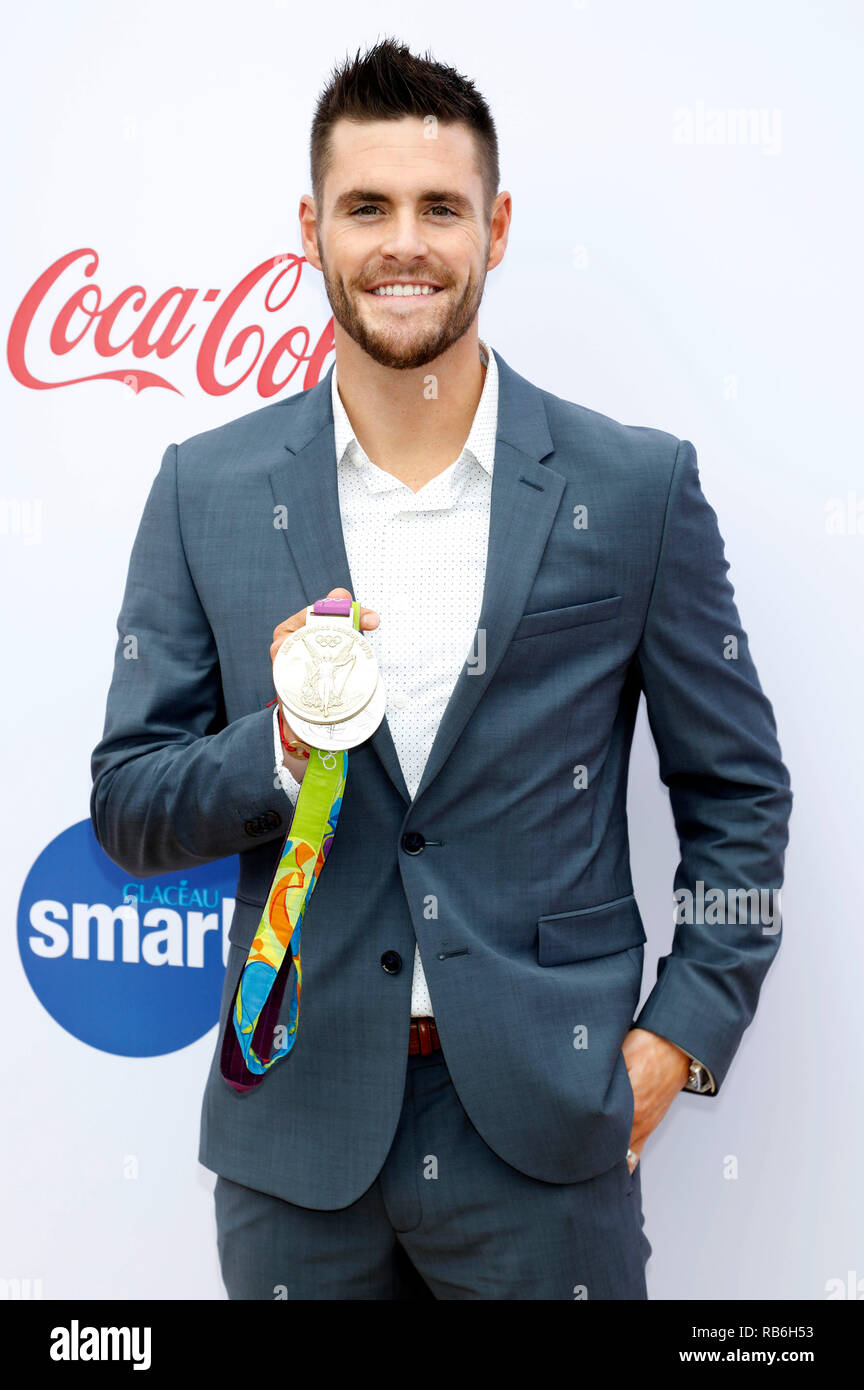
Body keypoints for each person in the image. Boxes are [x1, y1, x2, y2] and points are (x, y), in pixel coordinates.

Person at [90, 38, 792, 1300]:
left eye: (438, 208)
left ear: (496, 227)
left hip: (544, 1139)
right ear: (311, 227)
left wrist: (676, 1042)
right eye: (366, 207)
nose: (402, 243)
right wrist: (280, 752)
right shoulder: (205, 489)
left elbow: (739, 798)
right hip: (294, 1137)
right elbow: (129, 804)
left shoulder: (632, 488)